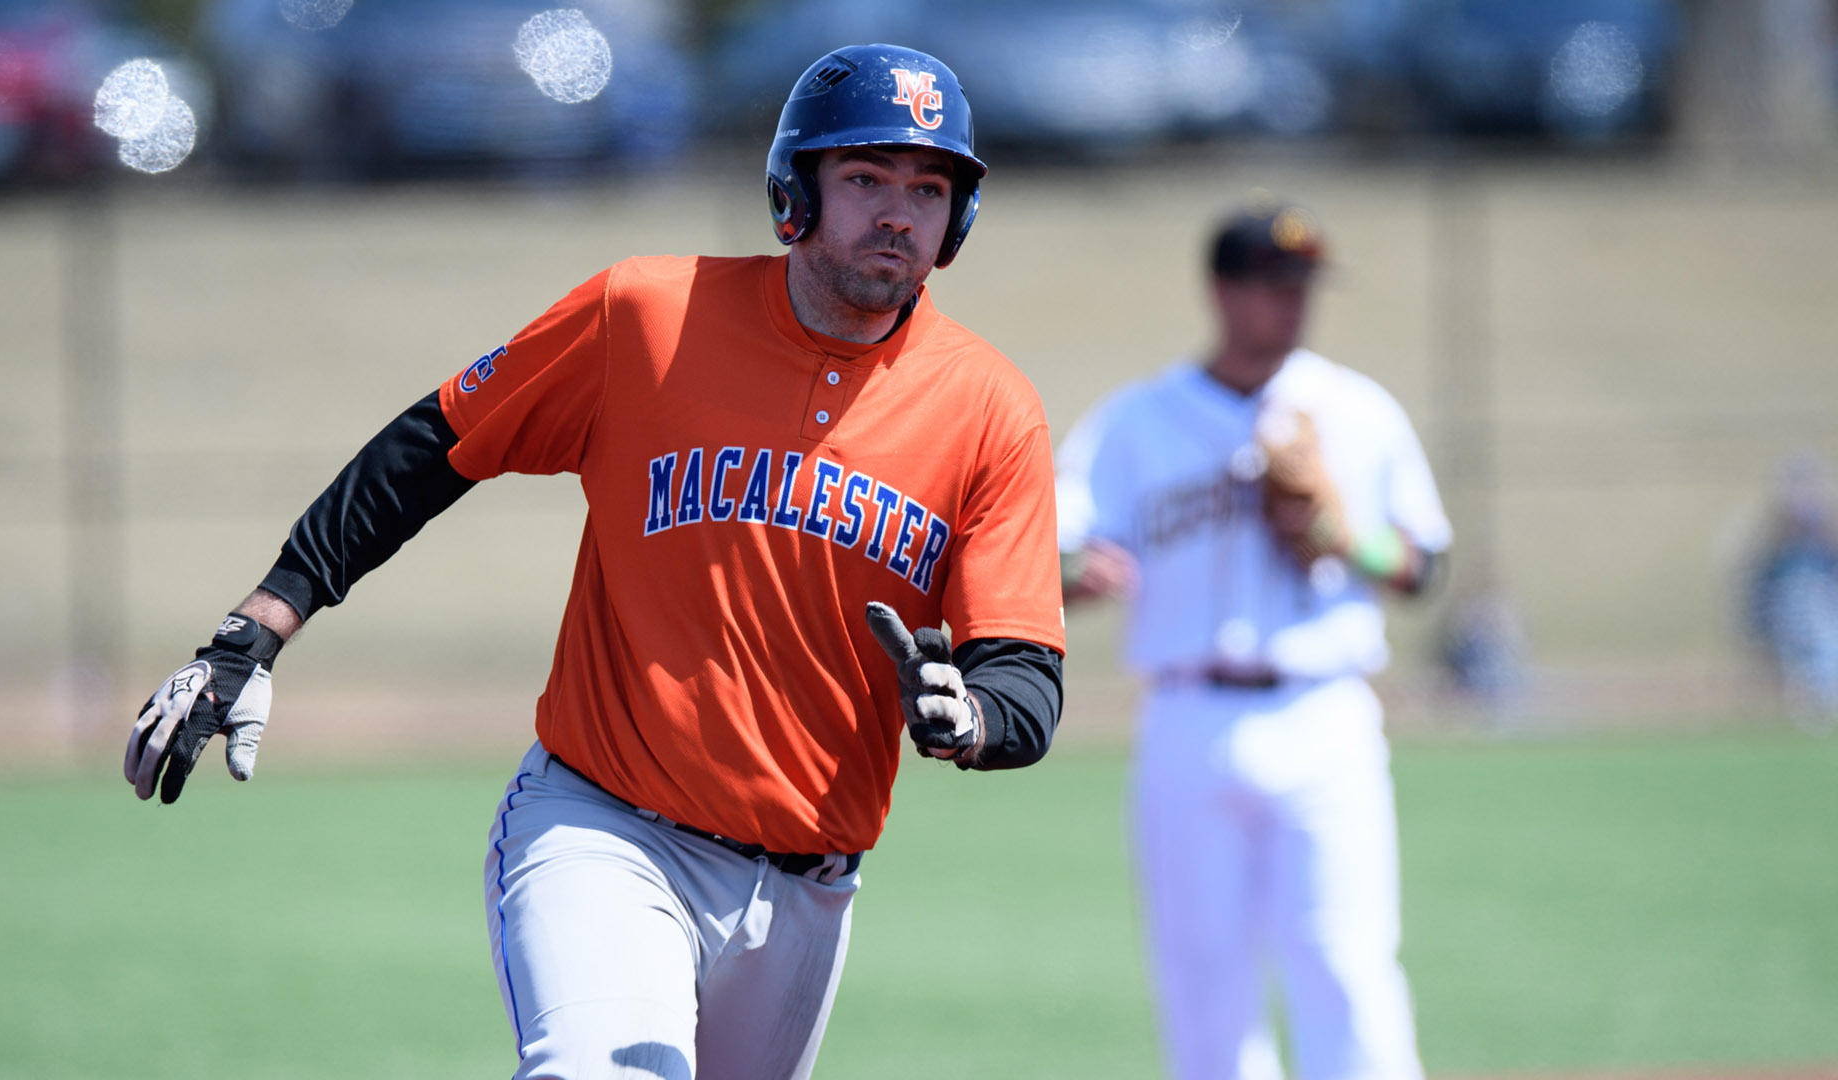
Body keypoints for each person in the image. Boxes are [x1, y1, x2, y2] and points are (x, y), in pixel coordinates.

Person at [123, 44, 1066, 1080]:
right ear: (794, 192)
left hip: (808, 889)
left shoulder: (991, 411)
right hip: (608, 831)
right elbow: (437, 444)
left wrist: (973, 718)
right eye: (867, 177)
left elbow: (1023, 669)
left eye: (929, 188)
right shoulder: (648, 316)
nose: (898, 213)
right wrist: (259, 626)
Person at [1055, 198, 1450, 1080]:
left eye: (1303, 285)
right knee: (1203, 982)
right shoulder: (1138, 422)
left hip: (1326, 716)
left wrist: (1346, 538)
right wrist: (1082, 573)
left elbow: (1425, 565)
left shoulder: (1356, 411)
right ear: (1221, 292)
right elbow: (1052, 553)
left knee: (1347, 964)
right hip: (1187, 718)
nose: (1293, 302)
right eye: (1274, 284)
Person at [1742, 448, 1838, 727]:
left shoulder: (1825, 539)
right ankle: (1806, 710)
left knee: (1826, 654)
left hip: (1823, 616)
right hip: (1788, 618)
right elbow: (1763, 586)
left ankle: (1822, 706)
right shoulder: (1773, 542)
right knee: (1800, 666)